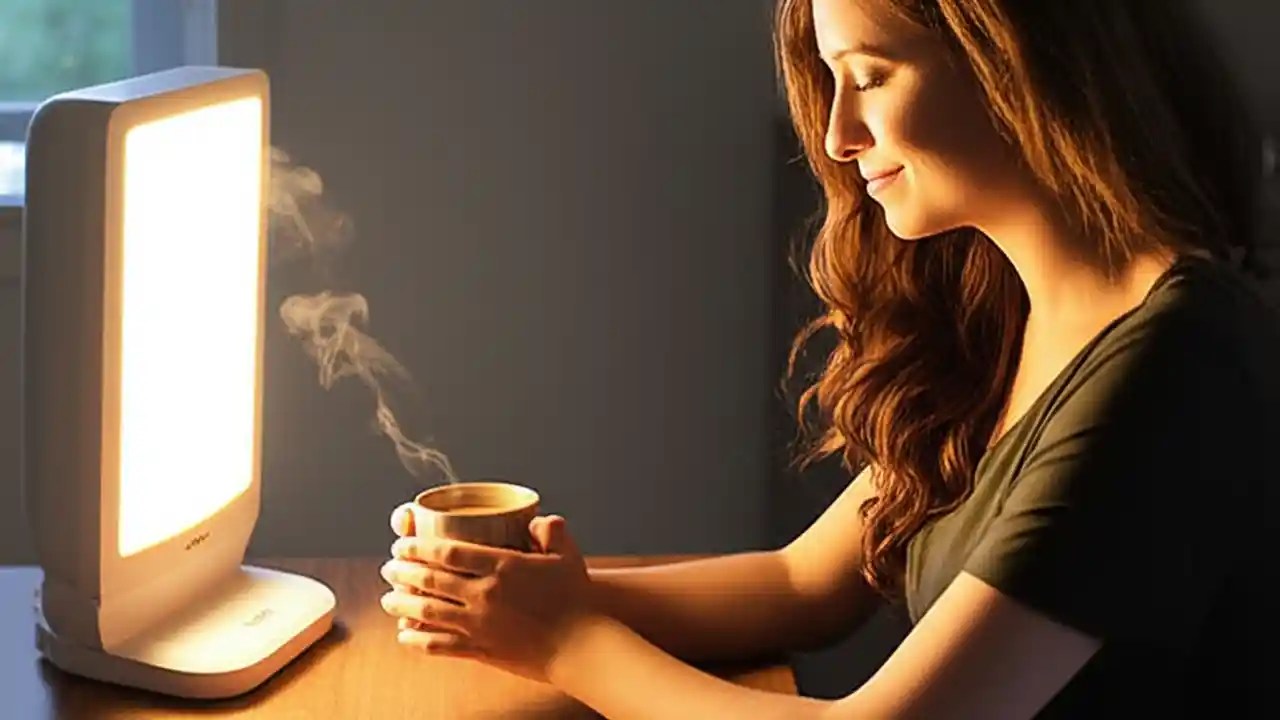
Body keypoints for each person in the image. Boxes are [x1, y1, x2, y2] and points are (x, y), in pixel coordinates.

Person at [377, 0, 1278, 717]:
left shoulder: (1179, 364)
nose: (841, 135)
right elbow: (802, 584)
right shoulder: (1003, 308)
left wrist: (566, 641)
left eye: (870, 76)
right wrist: (529, 596)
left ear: (1017, 59)